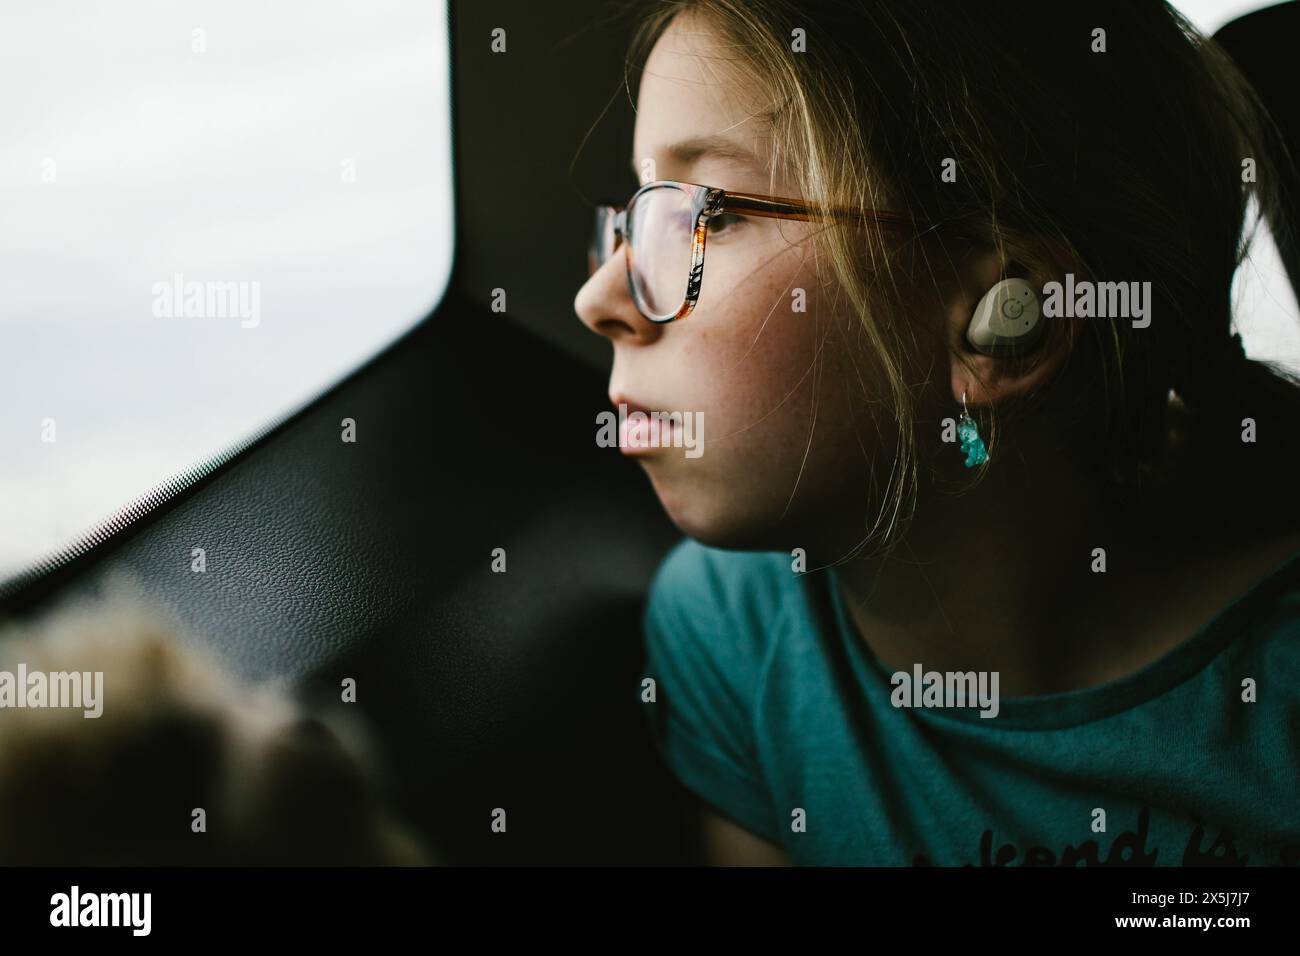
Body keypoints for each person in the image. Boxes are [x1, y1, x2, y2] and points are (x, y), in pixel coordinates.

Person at [574, 0, 1300, 865]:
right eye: (635, 214)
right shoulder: (729, 636)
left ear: (1006, 321)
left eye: (710, 212)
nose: (598, 299)